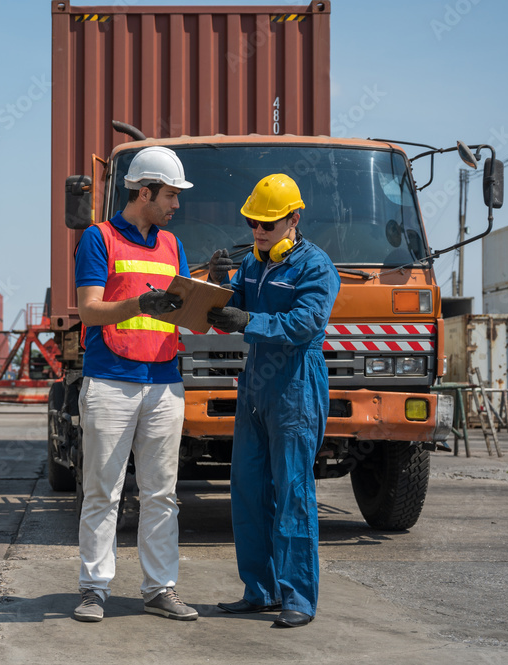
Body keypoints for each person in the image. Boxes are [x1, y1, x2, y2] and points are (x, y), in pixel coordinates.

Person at [206, 173, 340, 628]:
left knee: (293, 495)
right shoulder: (252, 263)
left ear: (293, 220)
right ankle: (259, 591)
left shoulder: (316, 267)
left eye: (267, 224)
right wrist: (218, 284)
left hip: (296, 387)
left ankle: (298, 597)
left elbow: (303, 325)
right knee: (247, 492)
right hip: (256, 389)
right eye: (252, 223)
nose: (258, 232)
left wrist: (246, 318)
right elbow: (230, 314)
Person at [71, 146, 198, 623]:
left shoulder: (172, 245)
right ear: (144, 192)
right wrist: (140, 305)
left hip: (165, 381)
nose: (175, 205)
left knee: (162, 492)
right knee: (103, 490)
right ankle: (94, 588)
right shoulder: (97, 238)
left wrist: (213, 296)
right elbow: (89, 310)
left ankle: (160, 588)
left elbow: (185, 310)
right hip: (111, 380)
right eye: (170, 195)